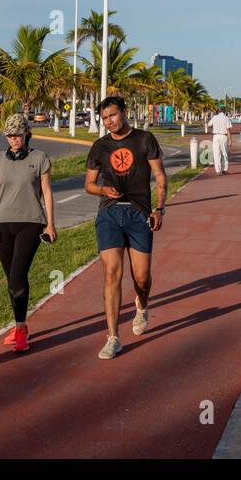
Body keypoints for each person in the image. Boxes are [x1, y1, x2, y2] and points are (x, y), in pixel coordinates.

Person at [85, 95, 167, 360]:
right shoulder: (99, 146)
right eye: (105, 118)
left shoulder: (144, 139)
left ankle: (142, 305)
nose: (109, 121)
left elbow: (160, 176)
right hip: (109, 213)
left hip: (139, 214)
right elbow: (88, 185)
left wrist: (159, 208)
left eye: (113, 115)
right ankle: (113, 337)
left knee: (141, 278)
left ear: (124, 112)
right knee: (111, 273)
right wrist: (102, 190)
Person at [0, 113, 55, 353]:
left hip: (31, 223)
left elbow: (47, 193)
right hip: (2, 225)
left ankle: (20, 330)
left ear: (26, 134)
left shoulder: (40, 158)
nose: (13, 139)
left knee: (18, 276)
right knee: (12, 281)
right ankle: (21, 326)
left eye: (18, 135)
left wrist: (50, 224)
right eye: (10, 135)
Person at [208, 105, 231, 174]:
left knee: (216, 153)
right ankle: (225, 169)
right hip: (224, 136)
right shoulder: (227, 118)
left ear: (219, 110)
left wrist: (214, 128)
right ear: (225, 111)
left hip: (216, 136)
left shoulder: (214, 117)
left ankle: (218, 170)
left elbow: (209, 125)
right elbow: (228, 130)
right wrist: (230, 140)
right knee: (224, 153)